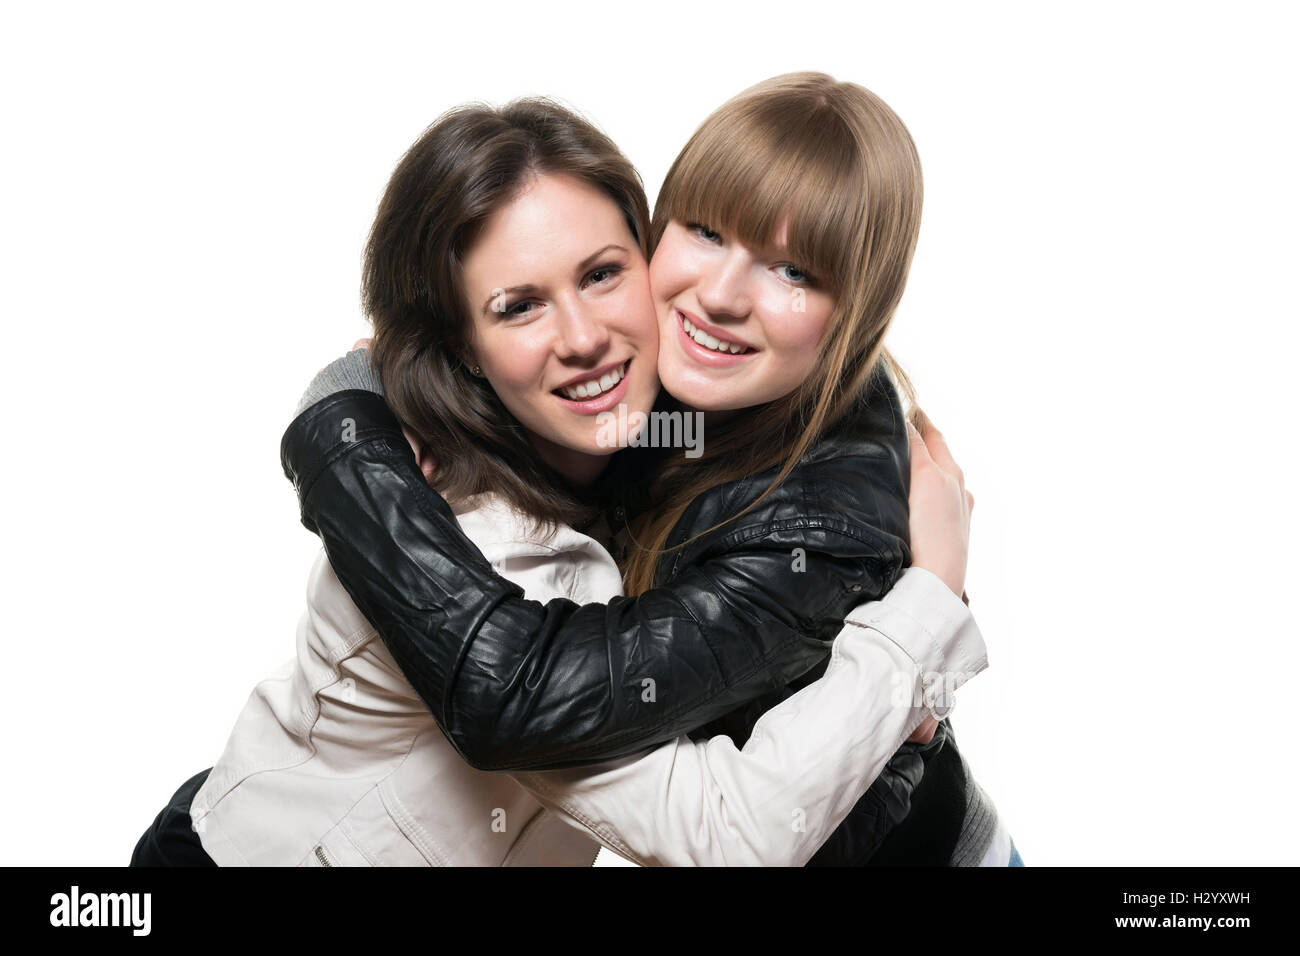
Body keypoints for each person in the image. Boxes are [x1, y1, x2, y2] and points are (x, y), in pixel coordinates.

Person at [275, 73, 1014, 865]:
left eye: (795, 272)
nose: (720, 296)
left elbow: (518, 698)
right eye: (704, 230)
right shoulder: (675, 400)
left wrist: (340, 436)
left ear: (859, 311)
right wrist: (392, 384)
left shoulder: (817, 530)